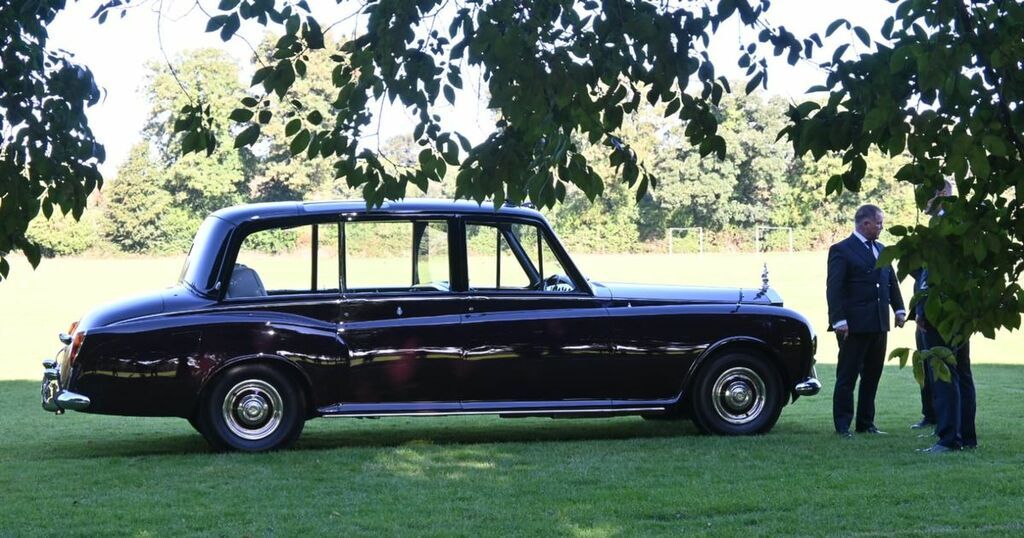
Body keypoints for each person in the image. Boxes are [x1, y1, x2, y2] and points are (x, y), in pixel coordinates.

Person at [826, 204, 906, 437]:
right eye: (879, 223)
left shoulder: (882, 249)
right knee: (847, 376)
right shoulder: (841, 249)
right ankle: (842, 425)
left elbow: (890, 281)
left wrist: (899, 309)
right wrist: (838, 320)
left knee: (872, 376)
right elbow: (834, 288)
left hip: (879, 323)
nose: (882, 227)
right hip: (853, 326)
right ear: (865, 223)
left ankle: (866, 423)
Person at [908, 180, 953, 431]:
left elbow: (934, 275)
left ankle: (948, 429)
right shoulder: (934, 225)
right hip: (925, 311)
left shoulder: (947, 227)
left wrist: (924, 311)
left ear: (942, 195)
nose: (922, 202)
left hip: (937, 313)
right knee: (927, 365)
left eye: (927, 196)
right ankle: (932, 415)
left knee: (943, 368)